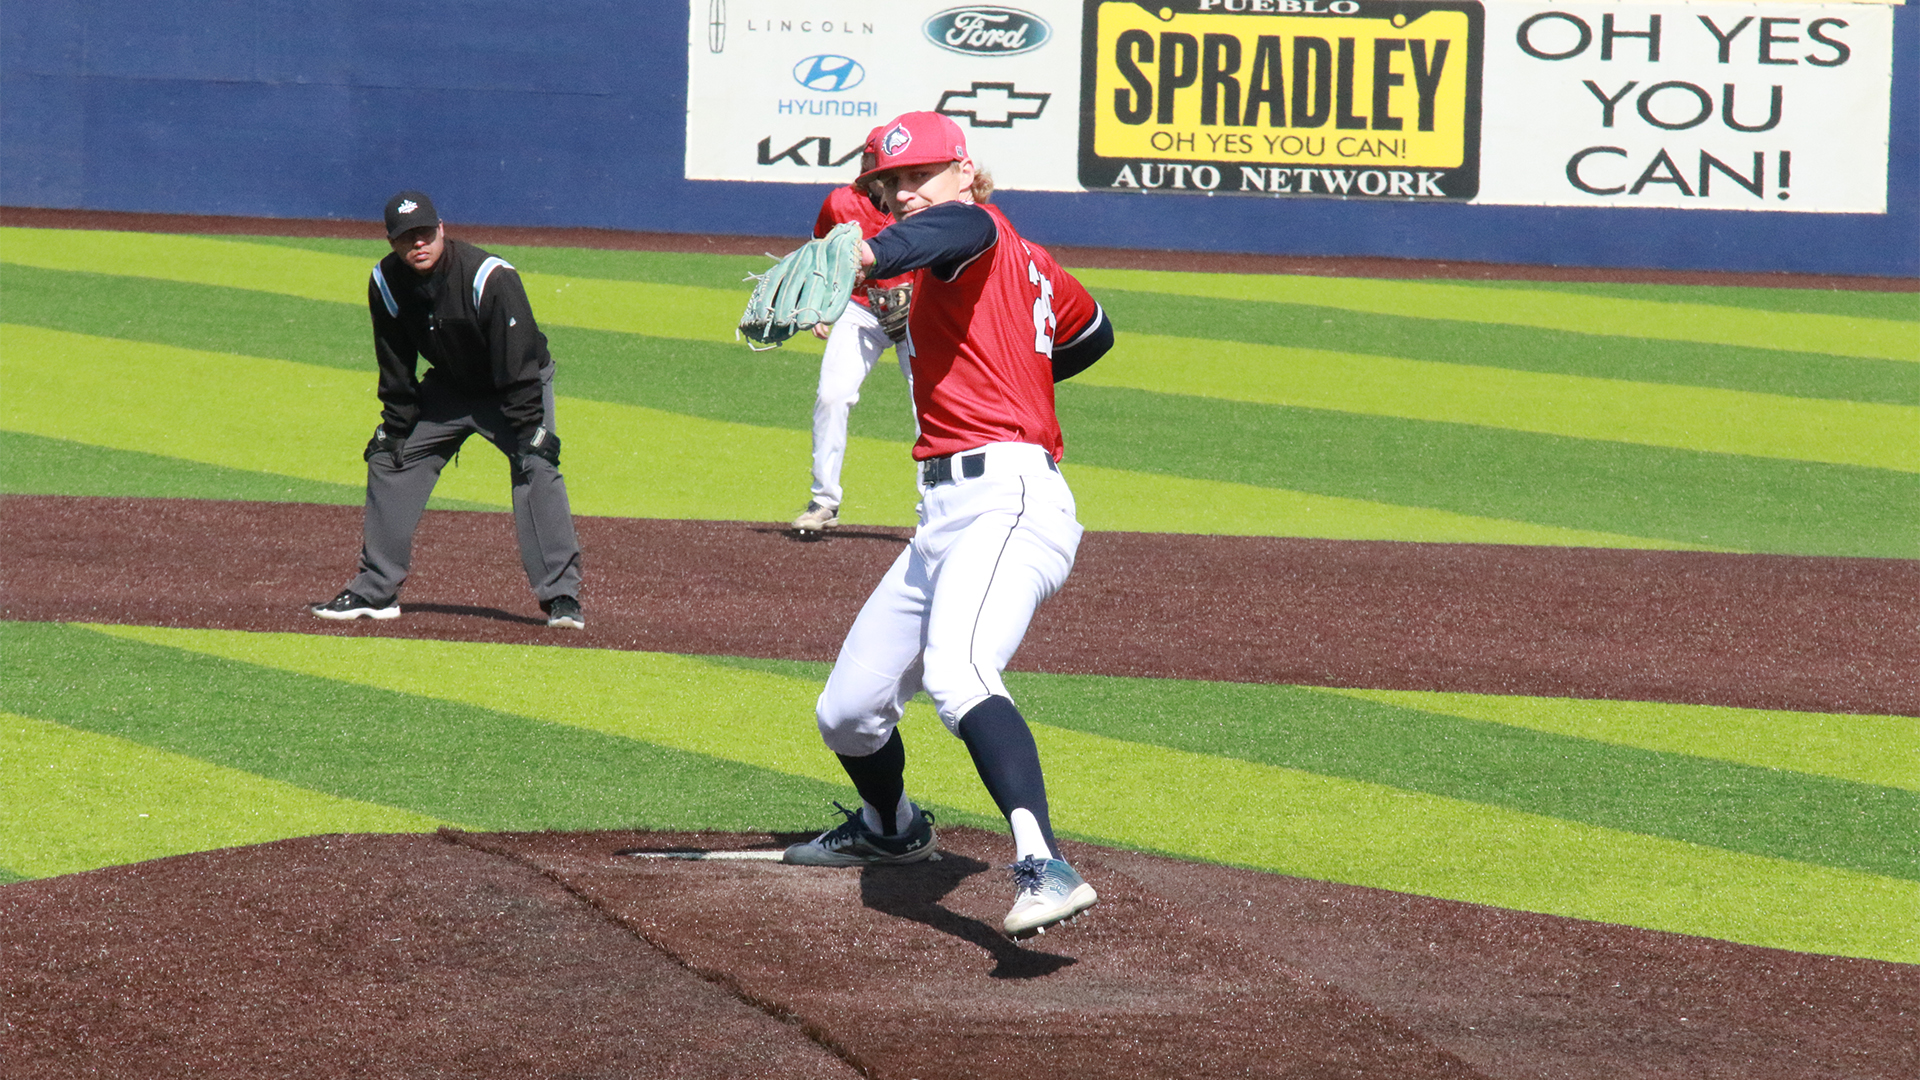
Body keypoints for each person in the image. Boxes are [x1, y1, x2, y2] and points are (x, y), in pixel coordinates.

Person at [781, 113, 1116, 940]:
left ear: (965, 169)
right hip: (945, 516)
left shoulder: (973, 226)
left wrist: (868, 250)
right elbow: (1093, 333)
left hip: (1009, 500)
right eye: (888, 184)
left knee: (961, 673)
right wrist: (1015, 358)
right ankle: (892, 828)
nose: (901, 192)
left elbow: (943, 228)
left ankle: (1045, 863)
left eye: (919, 175)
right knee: (848, 712)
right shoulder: (1028, 264)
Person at [312, 191, 586, 629]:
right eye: (406, 238)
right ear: (390, 241)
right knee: (388, 455)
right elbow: (395, 360)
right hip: (451, 388)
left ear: (441, 230)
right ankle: (375, 590)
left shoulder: (489, 277)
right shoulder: (386, 282)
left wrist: (530, 427)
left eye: (424, 233)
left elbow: (517, 361)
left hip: (512, 384)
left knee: (536, 463)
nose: (417, 244)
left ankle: (561, 598)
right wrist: (395, 424)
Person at [790, 147, 915, 534]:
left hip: (919, 312)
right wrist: (820, 301)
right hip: (860, 308)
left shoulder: (922, 204)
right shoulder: (841, 202)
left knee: (929, 406)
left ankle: (938, 506)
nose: (884, 179)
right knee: (832, 395)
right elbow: (819, 252)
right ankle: (824, 501)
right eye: (877, 171)